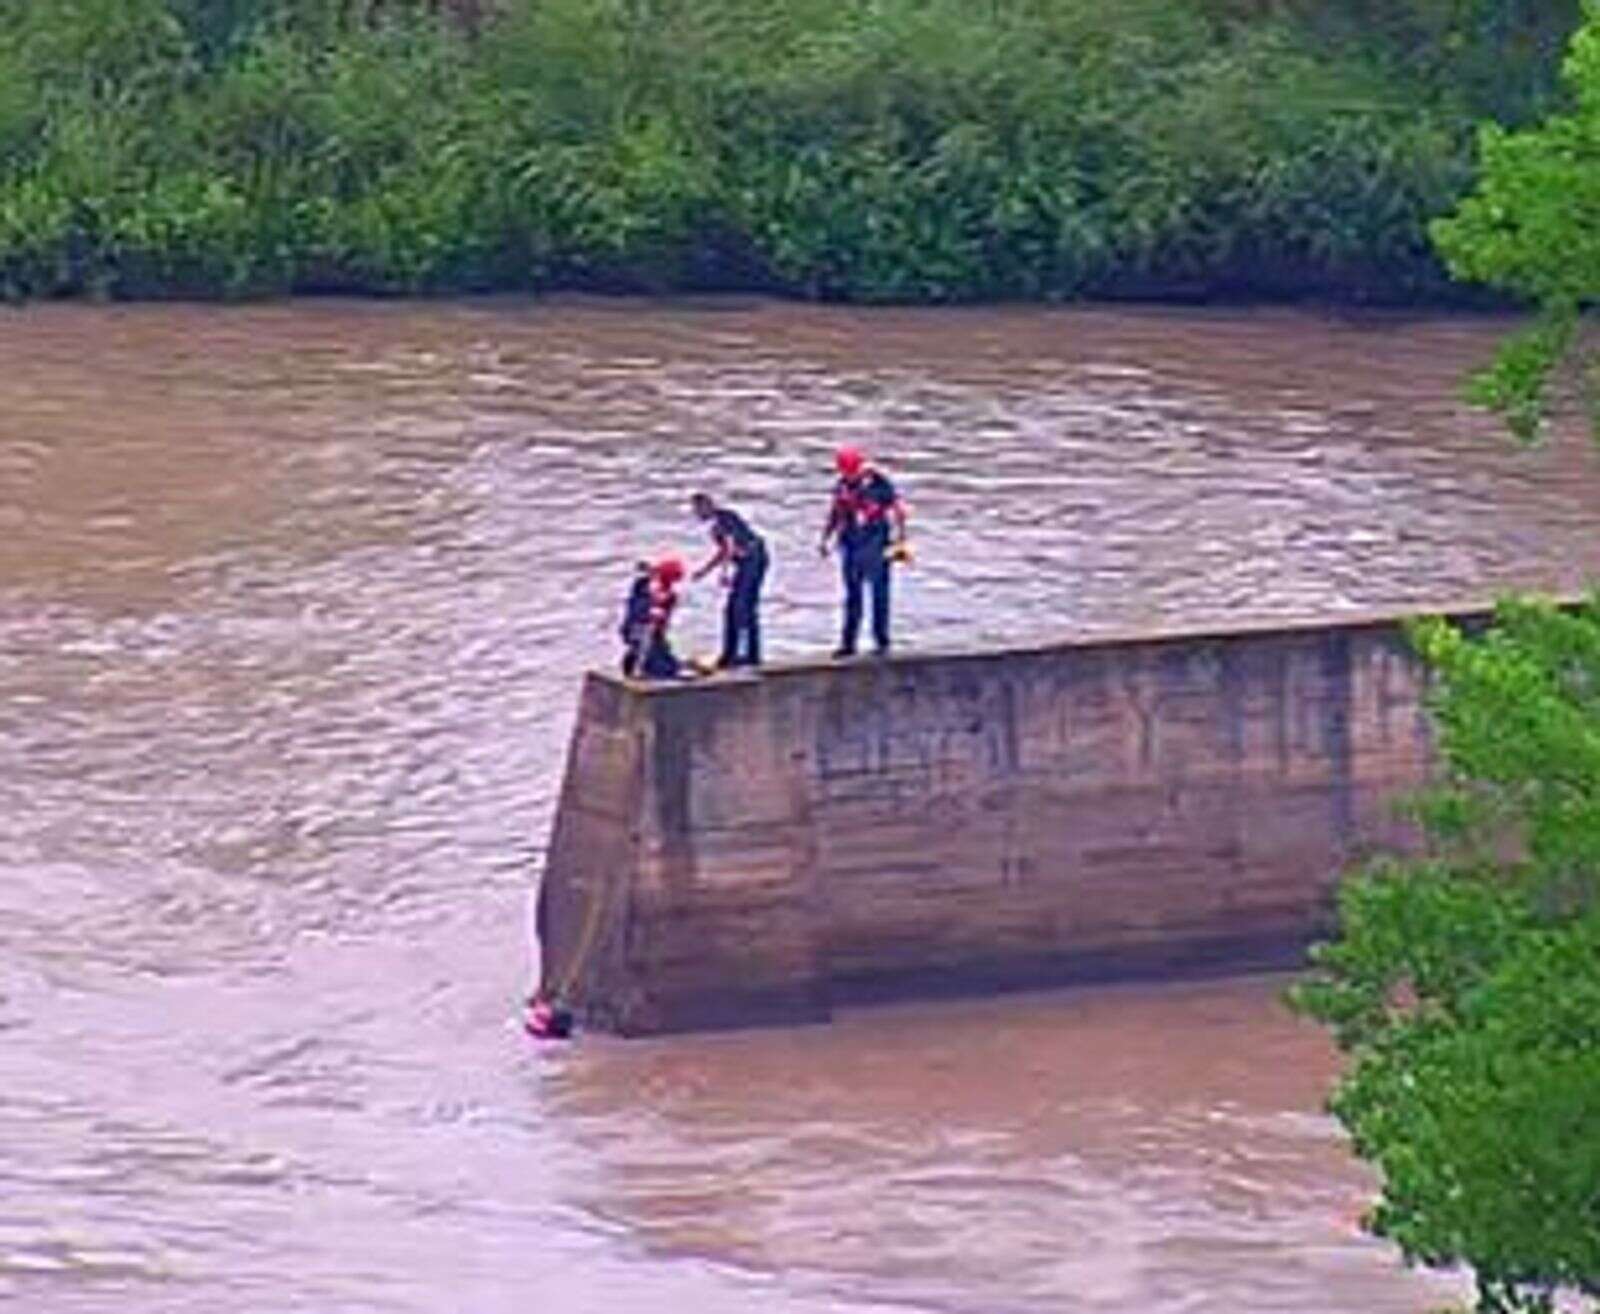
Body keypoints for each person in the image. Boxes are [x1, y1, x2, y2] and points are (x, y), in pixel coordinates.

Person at [818, 445, 907, 657]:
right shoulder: (842, 486)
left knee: (879, 594)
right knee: (852, 596)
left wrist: (900, 541)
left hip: (876, 544)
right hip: (851, 545)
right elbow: (836, 513)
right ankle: (848, 643)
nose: (848, 475)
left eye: (850, 470)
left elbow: (898, 510)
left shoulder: (878, 483)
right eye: (845, 471)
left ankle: (881, 641)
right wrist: (825, 538)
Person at [690, 492, 769, 669]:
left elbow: (729, 546)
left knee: (743, 608)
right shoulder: (716, 525)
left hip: (754, 559)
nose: (696, 514)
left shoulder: (723, 520)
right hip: (745, 563)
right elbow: (723, 552)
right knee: (731, 610)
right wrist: (704, 571)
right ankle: (730, 654)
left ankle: (746, 656)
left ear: (707, 506)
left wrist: (724, 573)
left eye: (698, 509)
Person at [639, 556, 684, 679]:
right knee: (657, 656)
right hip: (649, 629)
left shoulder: (667, 593)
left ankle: (658, 665)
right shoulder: (657, 589)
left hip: (657, 629)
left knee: (660, 651)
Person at [617, 559, 653, 676]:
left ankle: (635, 671)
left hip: (638, 622)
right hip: (639, 623)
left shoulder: (639, 589)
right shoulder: (641, 589)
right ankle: (635, 671)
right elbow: (637, 609)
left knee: (638, 647)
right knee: (638, 647)